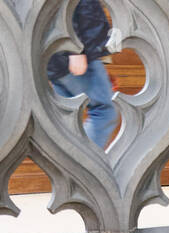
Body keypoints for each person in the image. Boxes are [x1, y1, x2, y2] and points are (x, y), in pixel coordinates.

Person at [47, 0, 119, 150]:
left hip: (62, 58)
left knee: (69, 120)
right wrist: (74, 49)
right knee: (104, 113)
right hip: (75, 54)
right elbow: (60, 6)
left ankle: (70, 165)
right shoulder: (75, 50)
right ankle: (83, 166)